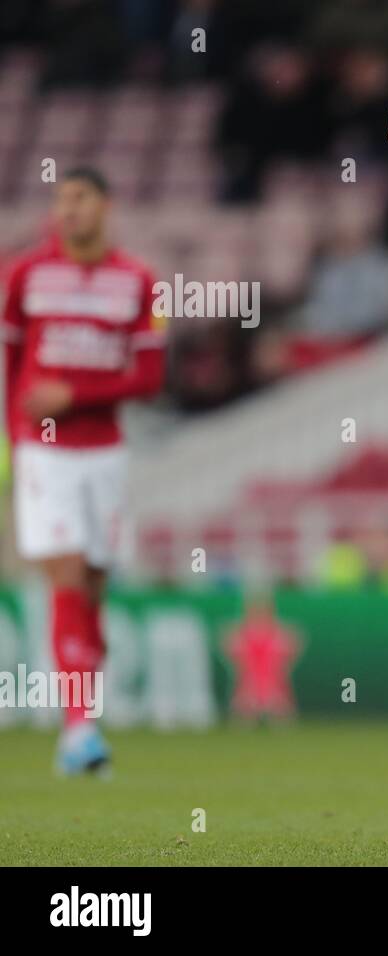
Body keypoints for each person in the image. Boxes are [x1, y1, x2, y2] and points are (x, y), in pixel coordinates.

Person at [2, 168, 167, 774]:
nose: (66, 210)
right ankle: (78, 728)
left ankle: (81, 723)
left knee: (94, 584)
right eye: (59, 200)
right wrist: (17, 434)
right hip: (44, 451)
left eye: (79, 199)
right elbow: (11, 360)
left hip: (105, 451)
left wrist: (71, 394)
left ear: (106, 205)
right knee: (66, 571)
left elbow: (149, 379)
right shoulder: (25, 274)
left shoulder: (139, 282)